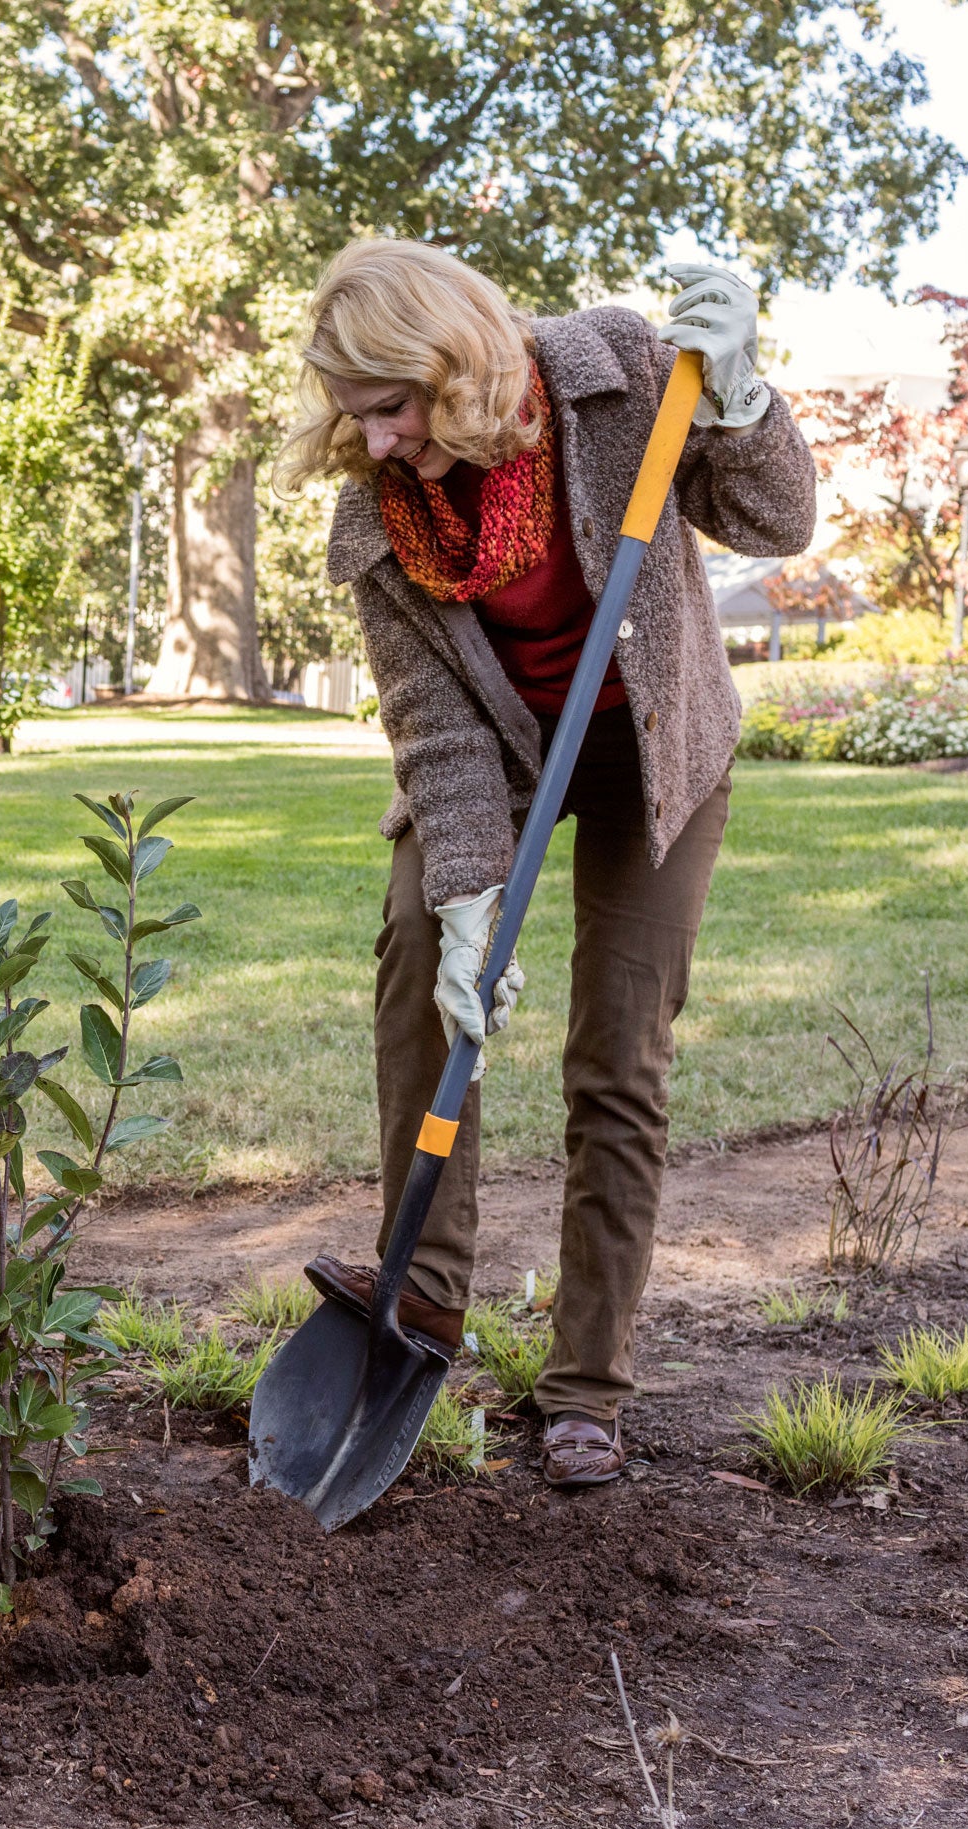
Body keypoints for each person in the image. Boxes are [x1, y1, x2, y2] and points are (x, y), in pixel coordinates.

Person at [275, 240, 814, 1488]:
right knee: (421, 945)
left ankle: (587, 1387)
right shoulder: (377, 515)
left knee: (620, 1041)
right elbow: (432, 723)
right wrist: (468, 897)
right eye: (357, 418)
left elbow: (779, 519)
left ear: (453, 367)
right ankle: (423, 1295)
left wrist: (740, 398)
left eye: (393, 409)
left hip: (655, 739)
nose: (377, 442)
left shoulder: (623, 374)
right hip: (509, 750)